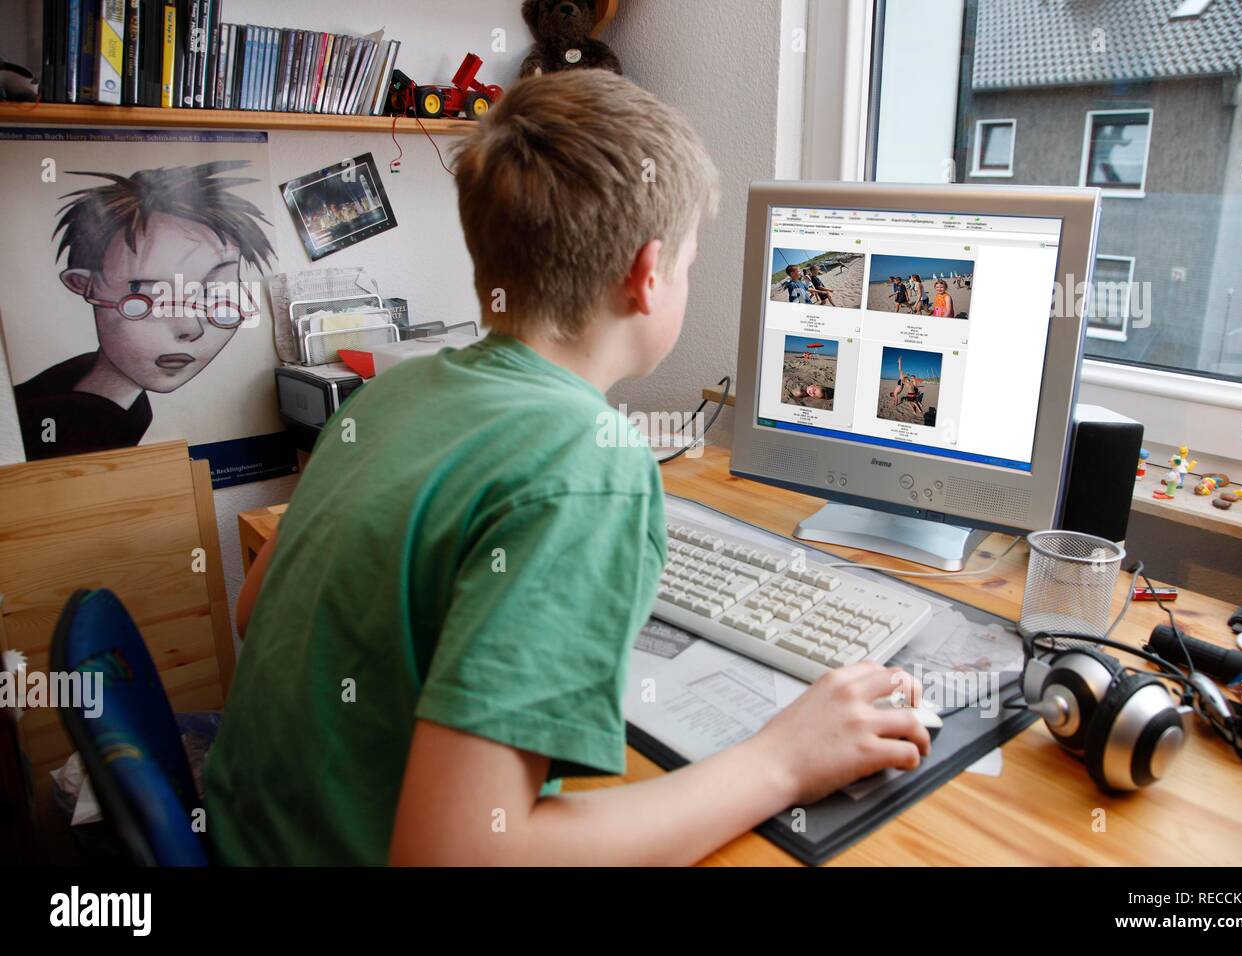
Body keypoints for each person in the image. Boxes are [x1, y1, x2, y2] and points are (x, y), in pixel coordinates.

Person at [205, 70, 930, 867]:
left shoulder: (393, 391)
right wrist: (780, 761)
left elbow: (254, 610)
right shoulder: (591, 468)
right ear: (648, 273)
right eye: (689, 262)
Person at [13, 161, 274, 461]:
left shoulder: (113, 401)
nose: (191, 327)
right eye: (149, 299)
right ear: (84, 285)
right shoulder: (60, 420)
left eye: (215, 294)